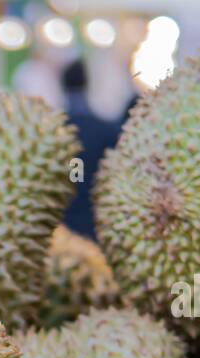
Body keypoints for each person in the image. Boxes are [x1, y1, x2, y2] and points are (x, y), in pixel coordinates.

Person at [60, 60, 130, 239]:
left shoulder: (52, 129)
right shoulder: (104, 129)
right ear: (87, 83)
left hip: (60, 222)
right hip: (96, 221)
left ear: (62, 85)